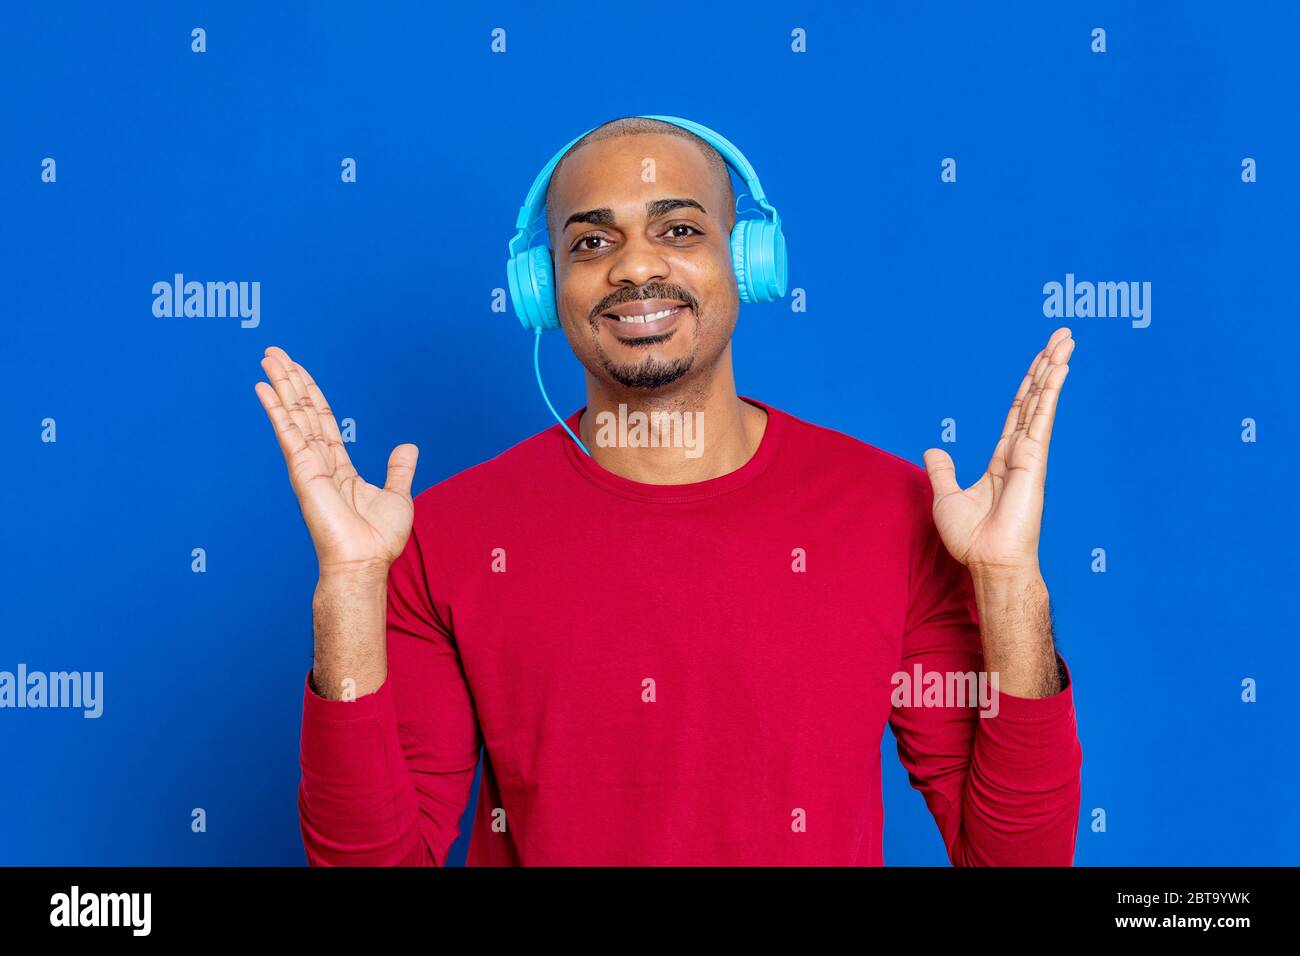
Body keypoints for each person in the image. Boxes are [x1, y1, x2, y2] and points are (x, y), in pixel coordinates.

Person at [254, 115, 1082, 866]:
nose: (635, 267)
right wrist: (350, 594)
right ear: (543, 290)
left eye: (679, 230)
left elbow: (1014, 863)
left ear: (749, 261)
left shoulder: (895, 513)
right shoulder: (441, 535)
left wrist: (1011, 586)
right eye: (589, 244)